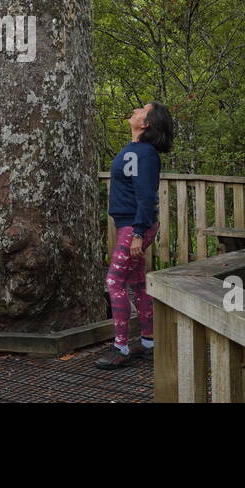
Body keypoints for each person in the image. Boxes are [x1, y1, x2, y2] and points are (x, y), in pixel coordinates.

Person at [96, 101, 174, 370]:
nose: (136, 110)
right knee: (138, 283)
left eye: (142, 109)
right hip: (129, 226)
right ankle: (149, 343)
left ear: (147, 123)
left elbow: (146, 196)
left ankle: (121, 347)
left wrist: (139, 233)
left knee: (114, 283)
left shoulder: (147, 154)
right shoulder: (134, 150)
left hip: (134, 228)